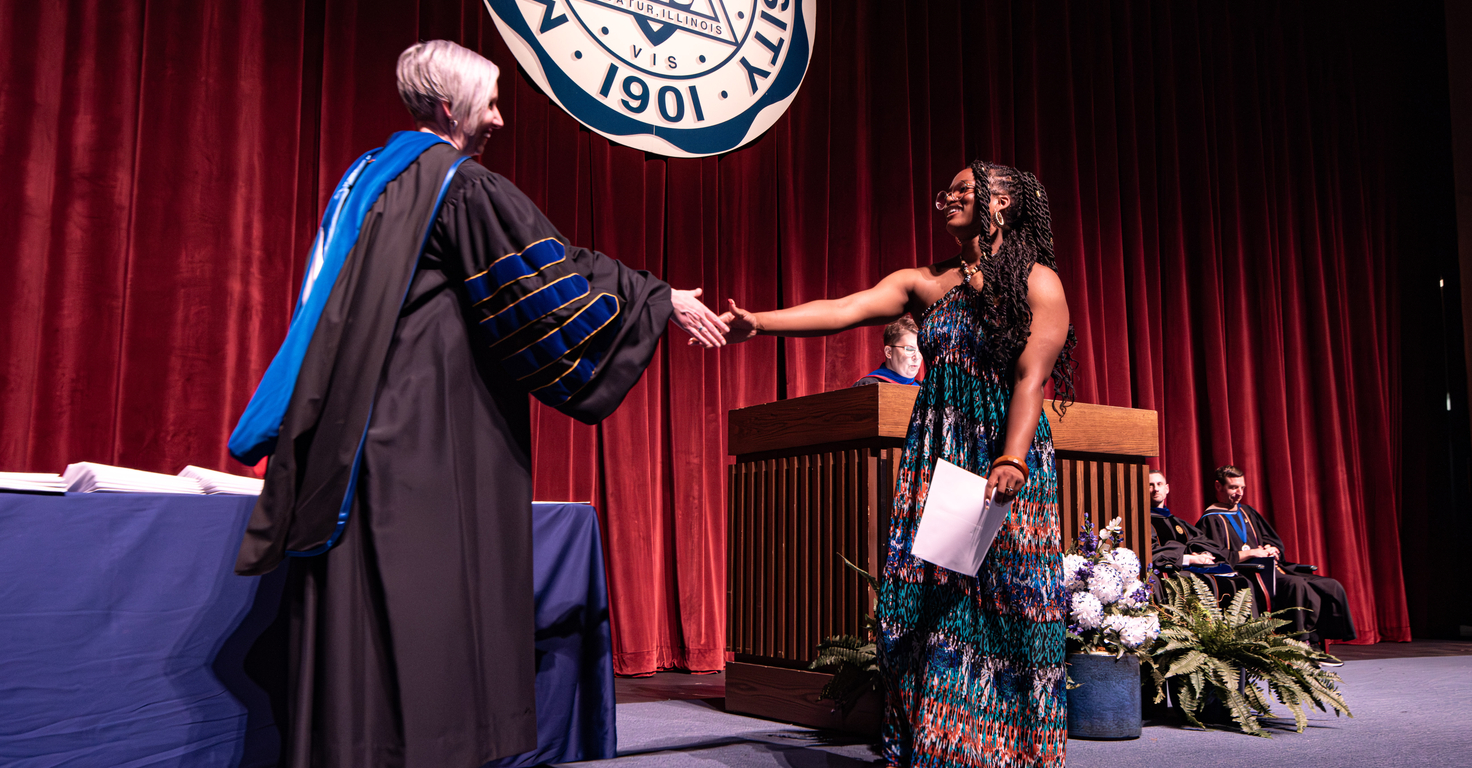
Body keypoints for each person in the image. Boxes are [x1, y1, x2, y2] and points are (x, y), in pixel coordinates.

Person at [225, 40, 729, 768]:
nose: (498, 120)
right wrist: (655, 298)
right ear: (445, 107)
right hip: (426, 432)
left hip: (351, 429)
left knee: (363, 609)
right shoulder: (458, 185)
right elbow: (550, 277)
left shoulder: (366, 180)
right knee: (426, 604)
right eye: (489, 103)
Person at [721, 161, 1076, 767]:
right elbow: (845, 307)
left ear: (1003, 204)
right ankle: (938, 745)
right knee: (928, 601)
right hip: (937, 455)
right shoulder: (924, 281)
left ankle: (1014, 749)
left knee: (1009, 601)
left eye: (965, 190)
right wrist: (761, 323)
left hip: (1003, 455)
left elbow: (1030, 376)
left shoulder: (1038, 282)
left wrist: (1012, 457)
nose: (948, 200)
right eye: (947, 191)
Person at [1198, 465, 1357, 647]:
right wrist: (1252, 552)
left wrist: (1272, 548)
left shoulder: (1247, 512)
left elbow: (1271, 539)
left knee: (1330, 585)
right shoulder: (1211, 519)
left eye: (1242, 487)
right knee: (1296, 585)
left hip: (1274, 569)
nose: (1239, 493)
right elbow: (1217, 557)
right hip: (1249, 575)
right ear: (1218, 486)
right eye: (1233, 487)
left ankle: (1320, 638)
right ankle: (1300, 643)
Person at [1148, 471, 1254, 608]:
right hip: (1172, 572)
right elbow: (1153, 552)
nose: (1156, 489)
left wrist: (1205, 554)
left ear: (1166, 488)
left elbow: (1202, 541)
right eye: (1151, 485)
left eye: (1159, 484)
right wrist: (1189, 559)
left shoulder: (1178, 523)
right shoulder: (1143, 523)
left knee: (1242, 582)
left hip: (1193, 568)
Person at [852, 316, 922, 386]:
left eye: (921, 350)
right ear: (889, 352)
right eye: (910, 349)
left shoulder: (924, 388)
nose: (917, 357)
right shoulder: (867, 385)